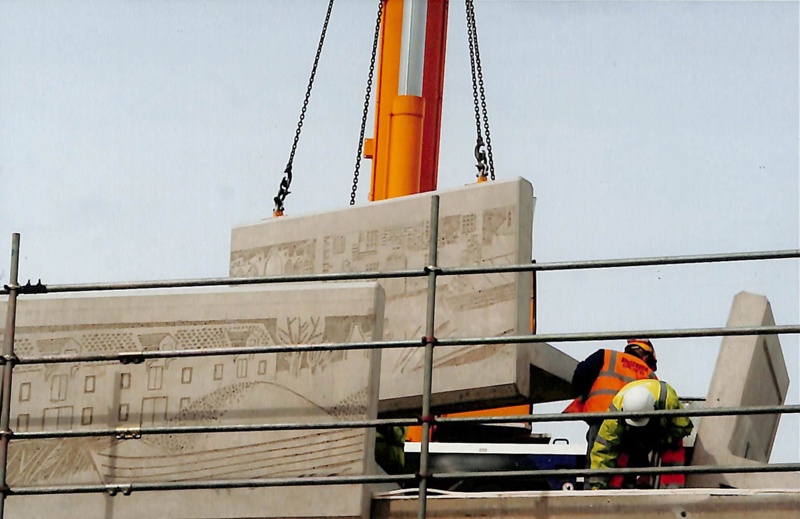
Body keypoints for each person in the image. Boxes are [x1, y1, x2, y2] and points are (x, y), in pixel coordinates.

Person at [565, 339, 659, 478]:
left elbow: (579, 374)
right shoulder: (650, 375)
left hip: (600, 419)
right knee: (625, 472)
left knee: (596, 466)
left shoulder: (606, 356)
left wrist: (586, 394)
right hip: (631, 427)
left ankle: (593, 490)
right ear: (646, 357)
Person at [587, 379, 694, 490]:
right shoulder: (615, 416)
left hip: (661, 432)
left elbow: (683, 427)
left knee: (673, 449)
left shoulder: (668, 400)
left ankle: (673, 493)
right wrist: (597, 488)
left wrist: (661, 440)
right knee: (619, 452)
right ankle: (613, 493)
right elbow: (604, 450)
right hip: (629, 435)